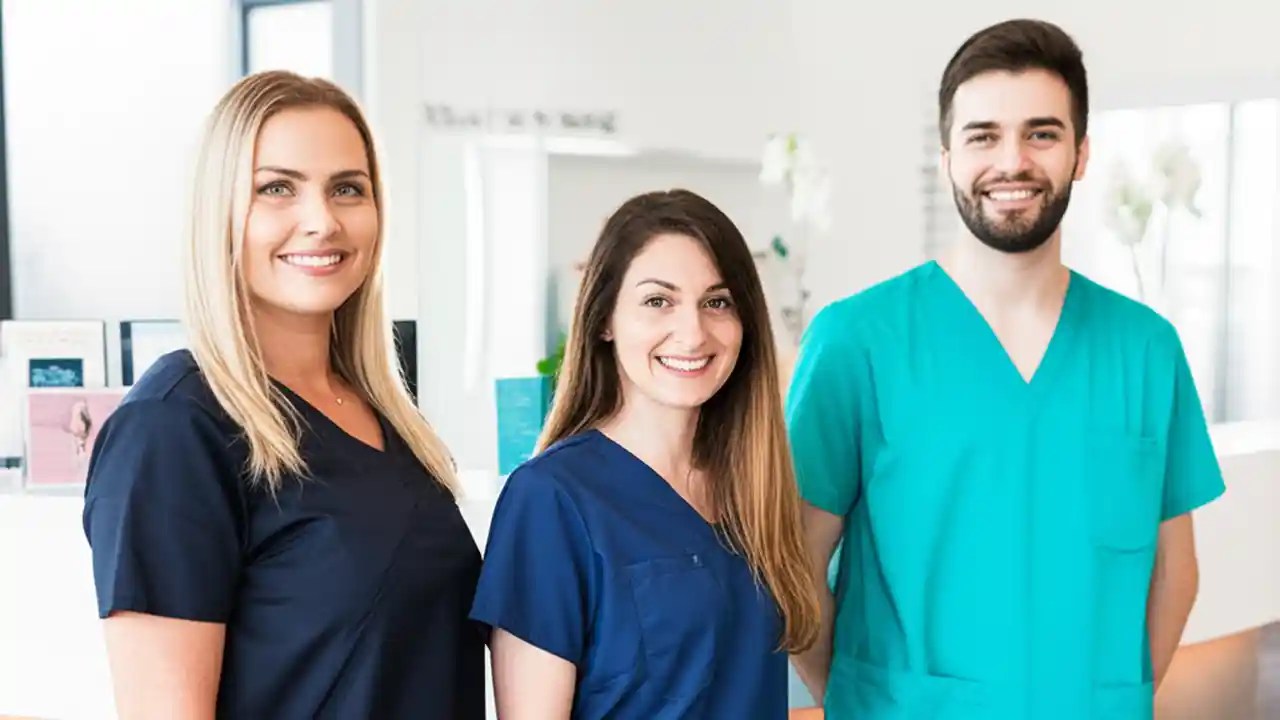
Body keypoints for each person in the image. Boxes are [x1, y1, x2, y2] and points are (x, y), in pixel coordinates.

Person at [787, 19, 1226, 719]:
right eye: (983, 135)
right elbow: (793, 574)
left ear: (1081, 154)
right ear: (946, 158)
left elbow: (1176, 572)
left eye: (1042, 134)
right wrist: (864, 703)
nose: (1012, 161)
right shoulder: (855, 343)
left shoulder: (1147, 351)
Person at [82, 71, 484, 719]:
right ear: (221, 214)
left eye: (348, 189)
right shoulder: (175, 427)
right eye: (276, 189)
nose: (321, 221)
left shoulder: (384, 419)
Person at [470, 189, 820, 718]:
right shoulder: (550, 501)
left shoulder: (754, 490)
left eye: (717, 302)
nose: (692, 332)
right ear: (605, 320)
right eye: (658, 301)